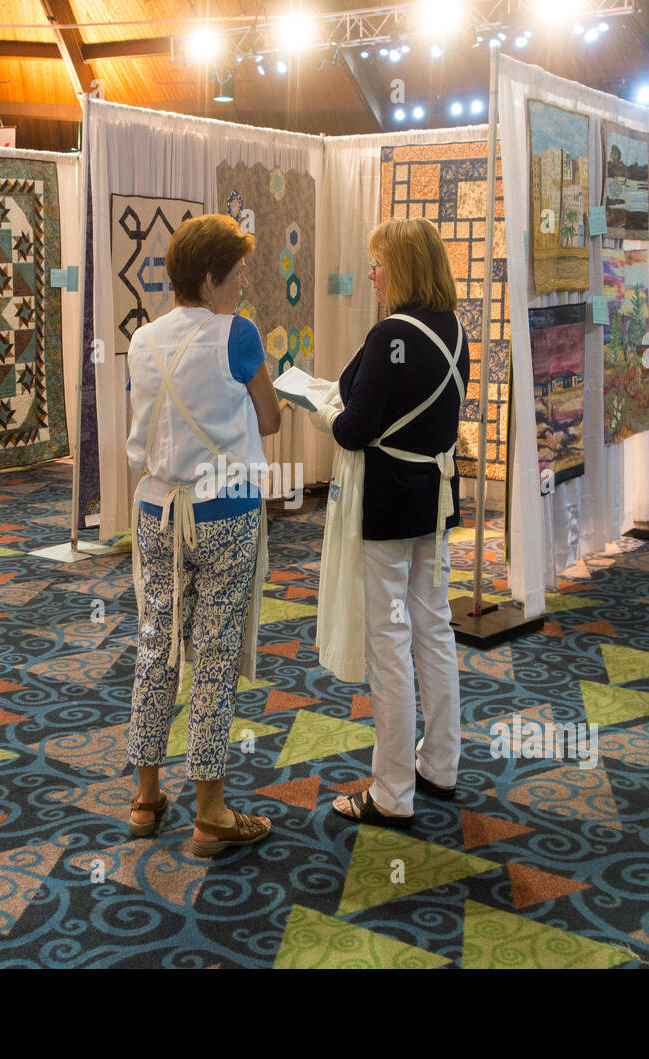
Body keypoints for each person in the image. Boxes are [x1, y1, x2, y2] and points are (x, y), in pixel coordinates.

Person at [124, 213, 281, 857]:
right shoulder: (237, 335)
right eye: (238, 274)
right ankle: (210, 812)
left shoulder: (143, 340)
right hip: (226, 510)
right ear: (212, 277)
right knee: (214, 653)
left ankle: (144, 797)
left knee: (156, 645)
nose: (242, 287)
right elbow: (269, 419)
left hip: (157, 513)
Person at [309, 217, 466, 828]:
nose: (370, 272)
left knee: (390, 644)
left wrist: (318, 410)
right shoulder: (453, 330)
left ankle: (392, 791)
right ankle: (441, 765)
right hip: (434, 499)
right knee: (433, 630)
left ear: (399, 266)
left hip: (386, 505)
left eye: (377, 262)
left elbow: (356, 427)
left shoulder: (389, 334)